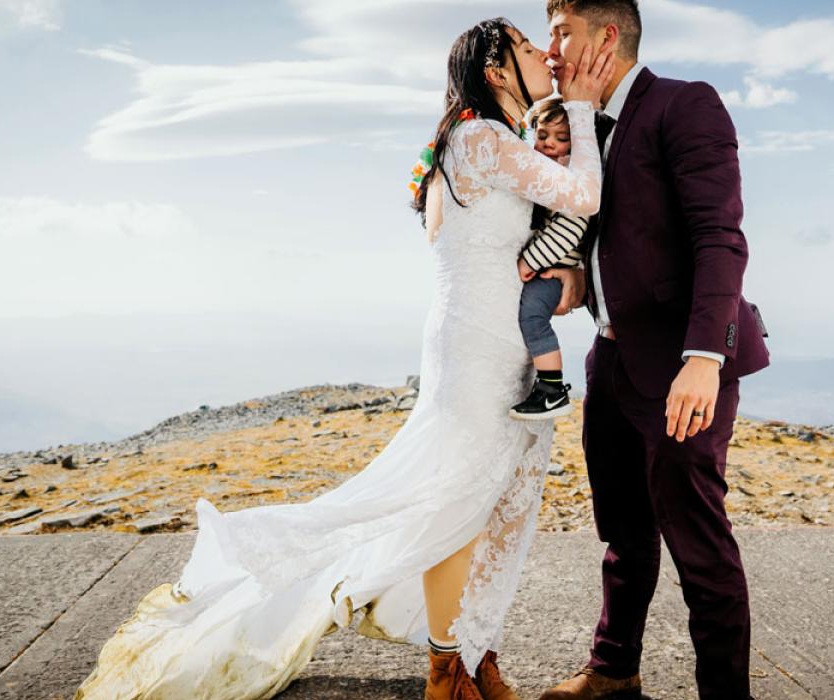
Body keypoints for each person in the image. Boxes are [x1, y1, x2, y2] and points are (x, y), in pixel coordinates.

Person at [72, 17, 615, 700]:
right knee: (457, 509)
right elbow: (584, 197)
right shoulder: (479, 138)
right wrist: (583, 112)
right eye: (529, 48)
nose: (542, 55)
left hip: (505, 348)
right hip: (477, 350)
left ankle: (477, 654)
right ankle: (446, 671)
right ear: (498, 70)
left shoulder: (492, 139)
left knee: (502, 509)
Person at [533, 2, 771, 699]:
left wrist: (704, 358)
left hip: (683, 366)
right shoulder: (579, 123)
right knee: (623, 531)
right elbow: (606, 228)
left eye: (562, 31)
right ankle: (614, 672)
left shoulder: (684, 104)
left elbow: (719, 236)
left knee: (700, 546)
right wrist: (579, 272)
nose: (550, 49)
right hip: (610, 358)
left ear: (607, 36)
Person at [510, 97, 590, 420]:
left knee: (532, 314)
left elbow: (568, 231)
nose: (549, 144)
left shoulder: (573, 179)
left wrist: (527, 262)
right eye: (542, 136)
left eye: (561, 138)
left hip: (559, 267)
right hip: (548, 265)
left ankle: (552, 388)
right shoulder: (544, 173)